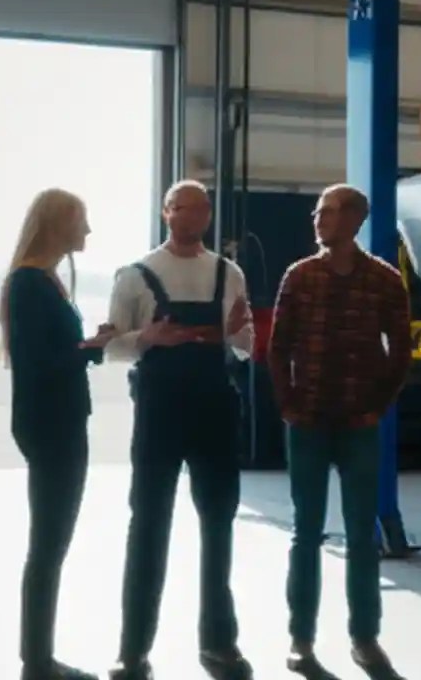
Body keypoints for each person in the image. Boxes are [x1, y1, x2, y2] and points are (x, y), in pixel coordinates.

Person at [103, 179, 255, 680]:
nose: (194, 216)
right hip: (159, 411)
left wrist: (235, 333)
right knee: (148, 525)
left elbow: (247, 346)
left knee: (218, 525)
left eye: (202, 208)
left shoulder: (228, 273)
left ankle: (219, 643)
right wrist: (149, 336)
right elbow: (112, 345)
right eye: (184, 207)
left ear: (209, 215)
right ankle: (133, 650)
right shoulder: (135, 275)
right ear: (167, 212)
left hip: (215, 408)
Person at [268, 184, 413, 679]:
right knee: (304, 533)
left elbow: (401, 350)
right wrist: (288, 405)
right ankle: (301, 640)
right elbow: (277, 347)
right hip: (307, 423)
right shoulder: (300, 277)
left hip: (358, 426)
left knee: (360, 536)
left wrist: (377, 407)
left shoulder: (384, 281)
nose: (317, 219)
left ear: (354, 220)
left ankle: (364, 639)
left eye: (327, 212)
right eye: (316, 212)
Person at [0, 188, 117, 680]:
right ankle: (38, 662)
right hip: (53, 426)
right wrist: (90, 347)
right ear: (57, 226)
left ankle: (39, 657)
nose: (87, 231)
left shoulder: (42, 281)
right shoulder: (30, 284)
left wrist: (91, 345)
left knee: (50, 543)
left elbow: (48, 355)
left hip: (57, 422)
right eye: (81, 221)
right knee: (49, 545)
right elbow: (40, 364)